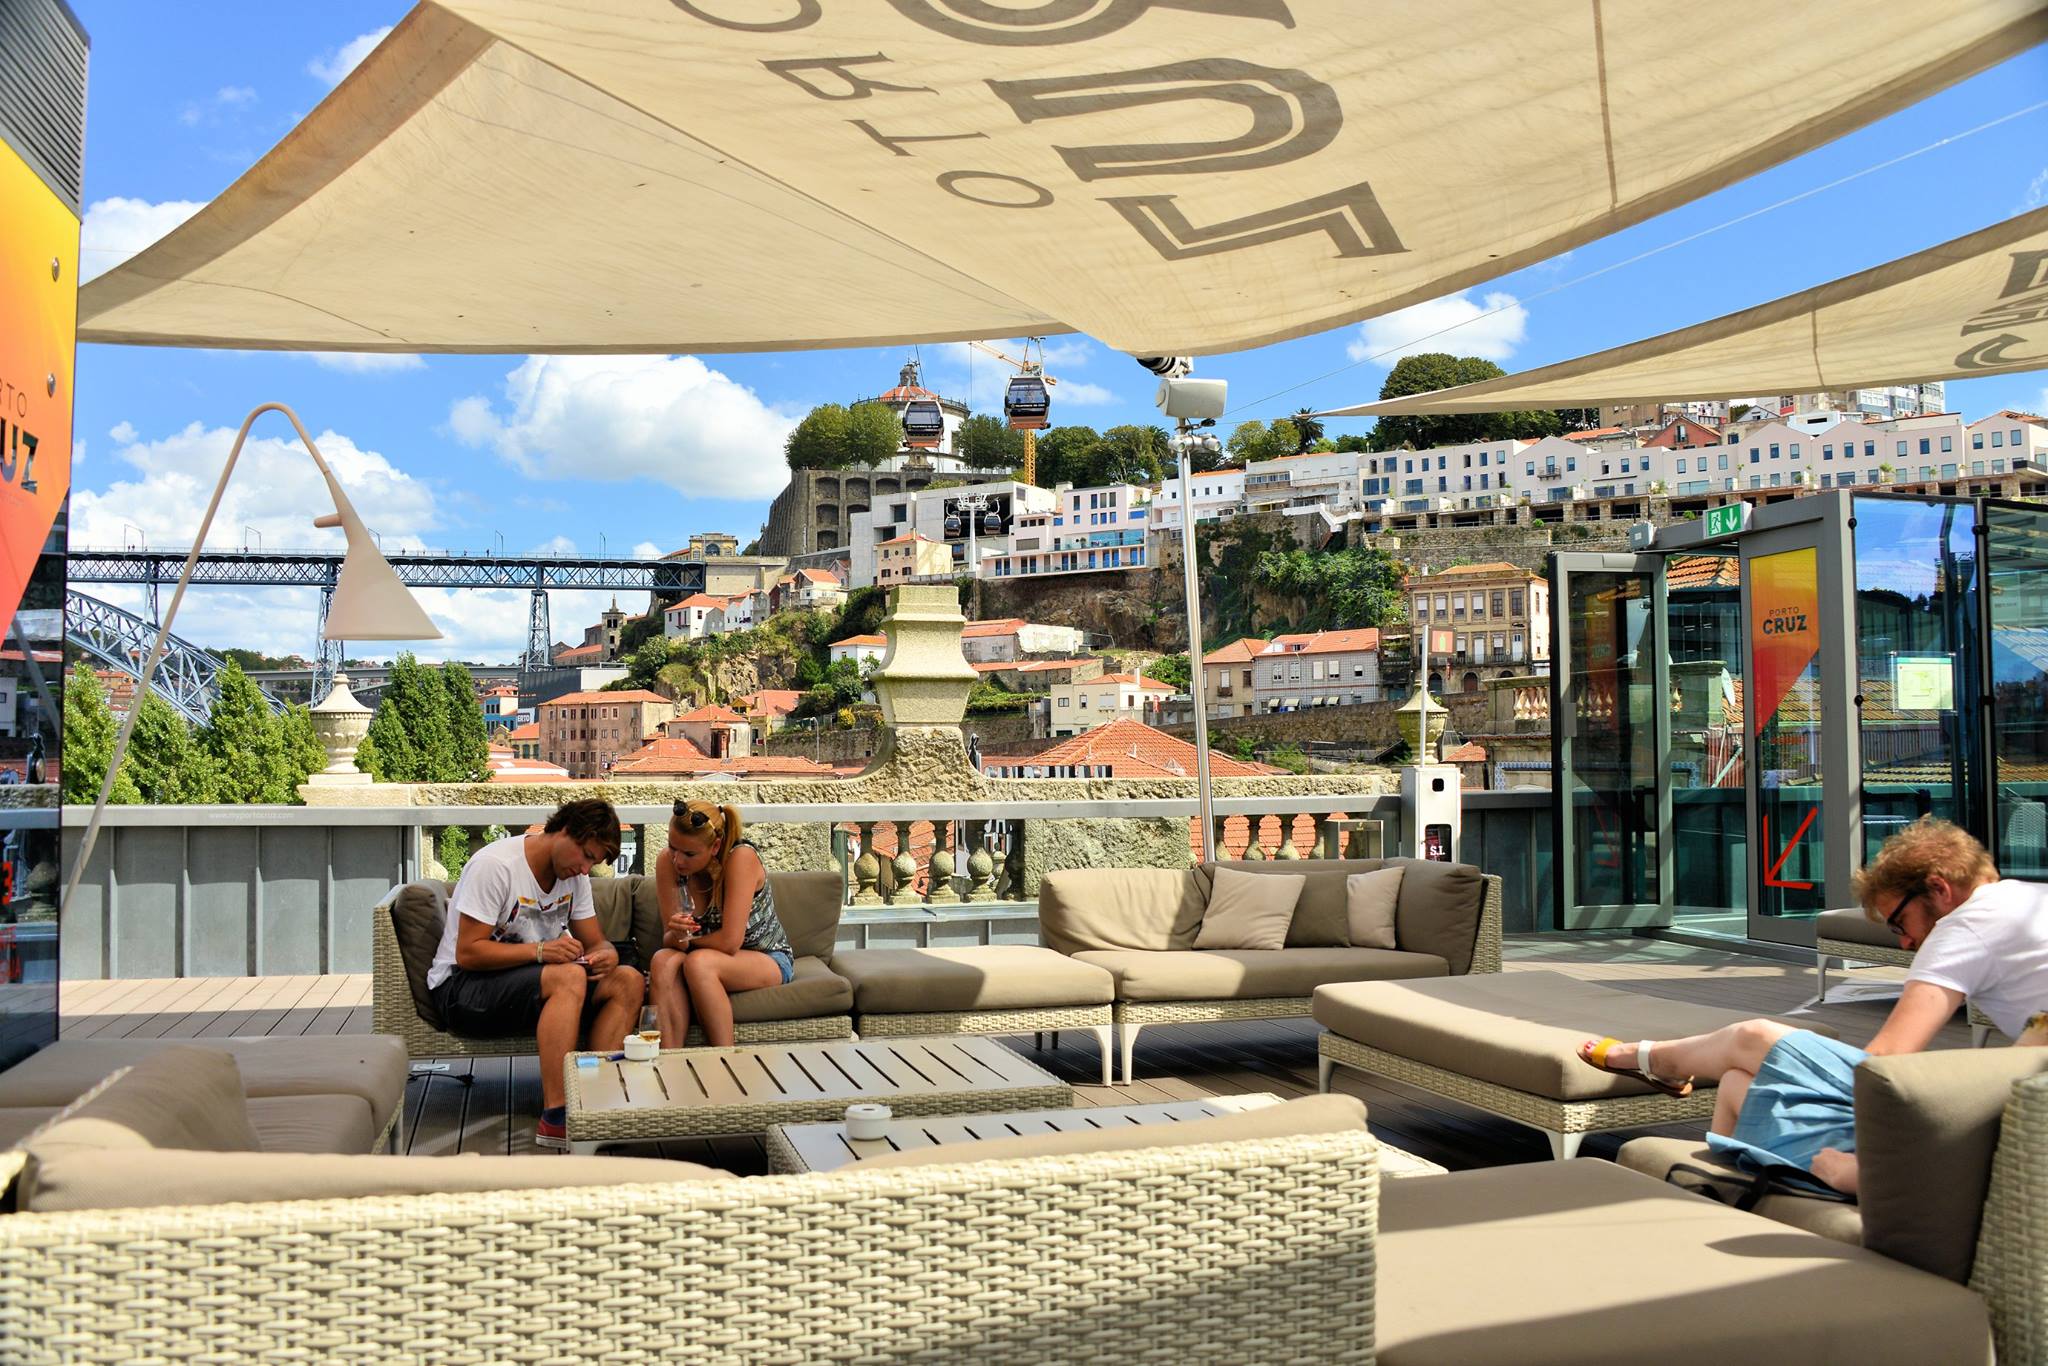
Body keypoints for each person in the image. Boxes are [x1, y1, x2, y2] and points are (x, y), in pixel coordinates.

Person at [1579, 818, 2047, 1194]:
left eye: (1900, 921)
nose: (1905, 943)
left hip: (1996, 1128)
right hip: (2021, 1108)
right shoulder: (2029, 900)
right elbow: (2021, 1064)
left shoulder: (1963, 927)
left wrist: (1867, 1165)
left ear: (1940, 890)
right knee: (1738, 1082)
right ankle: (1718, 1192)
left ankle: (1659, 1061)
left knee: (1754, 1039)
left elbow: (1887, 1065)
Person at [424, 798, 643, 1150]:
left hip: (534, 989)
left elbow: (597, 942)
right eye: (586, 855)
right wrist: (542, 952)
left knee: (629, 981)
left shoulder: (574, 879)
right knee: (567, 976)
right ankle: (556, 1115)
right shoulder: (496, 866)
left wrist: (605, 956)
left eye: (594, 862)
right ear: (566, 831)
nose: (586, 869)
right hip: (462, 989)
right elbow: (468, 953)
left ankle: (594, 1104)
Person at [647, 799, 794, 1048]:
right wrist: (678, 934)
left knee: (699, 963)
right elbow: (671, 941)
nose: (678, 861)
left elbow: (729, 942)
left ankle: (723, 1059)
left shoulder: (740, 858)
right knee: (662, 960)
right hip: (708, 955)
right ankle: (669, 1064)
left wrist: (687, 943)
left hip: (767, 957)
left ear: (714, 846)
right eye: (673, 848)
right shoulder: (667, 863)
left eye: (689, 854)